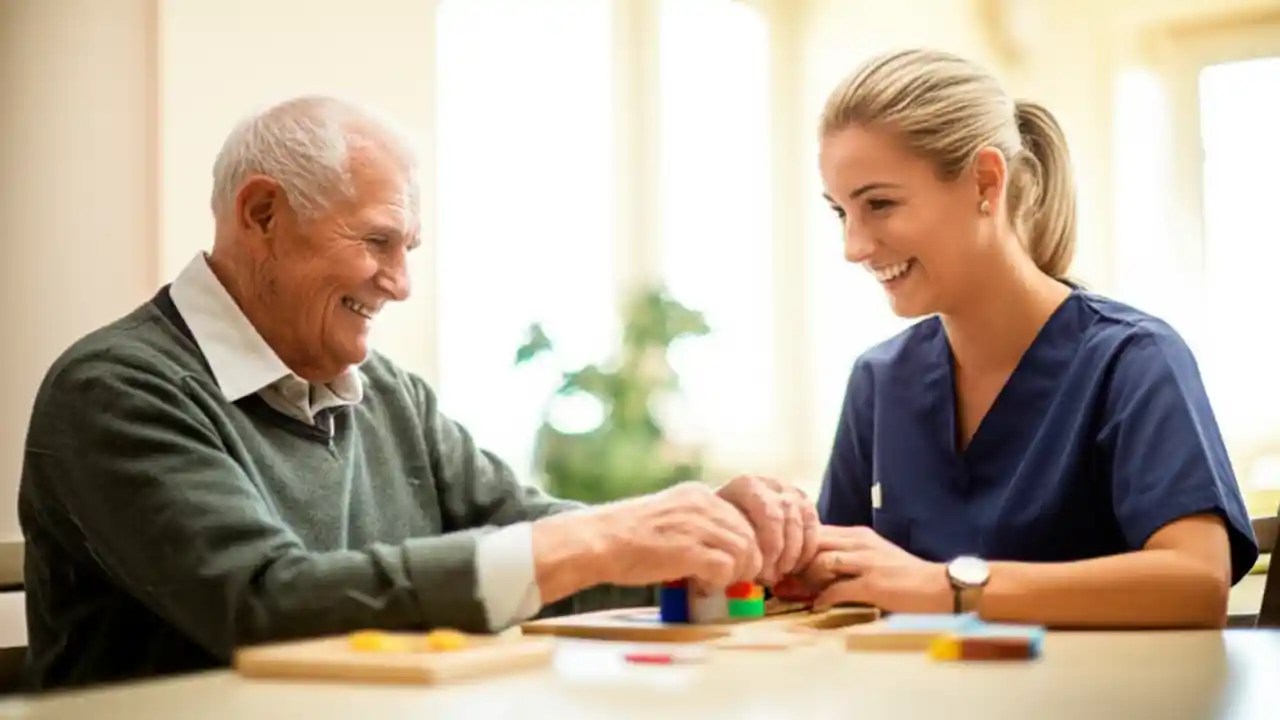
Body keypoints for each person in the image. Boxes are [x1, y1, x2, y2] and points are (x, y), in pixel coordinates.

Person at [18, 96, 817, 690]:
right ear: (261, 212)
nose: (399, 283)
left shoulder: (390, 396)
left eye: (409, 248)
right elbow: (262, 604)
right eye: (377, 241)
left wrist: (706, 534)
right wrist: (607, 538)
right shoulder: (116, 391)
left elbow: (525, 534)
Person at [796, 49, 1257, 627]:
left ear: (986, 182)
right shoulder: (879, 381)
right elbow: (833, 578)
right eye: (841, 212)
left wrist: (943, 587)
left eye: (879, 204)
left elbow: (1195, 583)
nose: (854, 247)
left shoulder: (1130, 360)